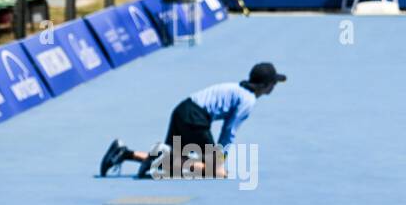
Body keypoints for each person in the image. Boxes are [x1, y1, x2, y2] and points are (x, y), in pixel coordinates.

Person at [99, 62, 285, 179]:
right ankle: (159, 161)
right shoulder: (248, 100)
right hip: (195, 118)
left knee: (178, 159)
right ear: (265, 85)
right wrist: (219, 161)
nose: (275, 86)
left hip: (182, 110)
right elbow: (229, 131)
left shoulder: (237, 88)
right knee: (215, 172)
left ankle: (124, 153)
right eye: (274, 83)